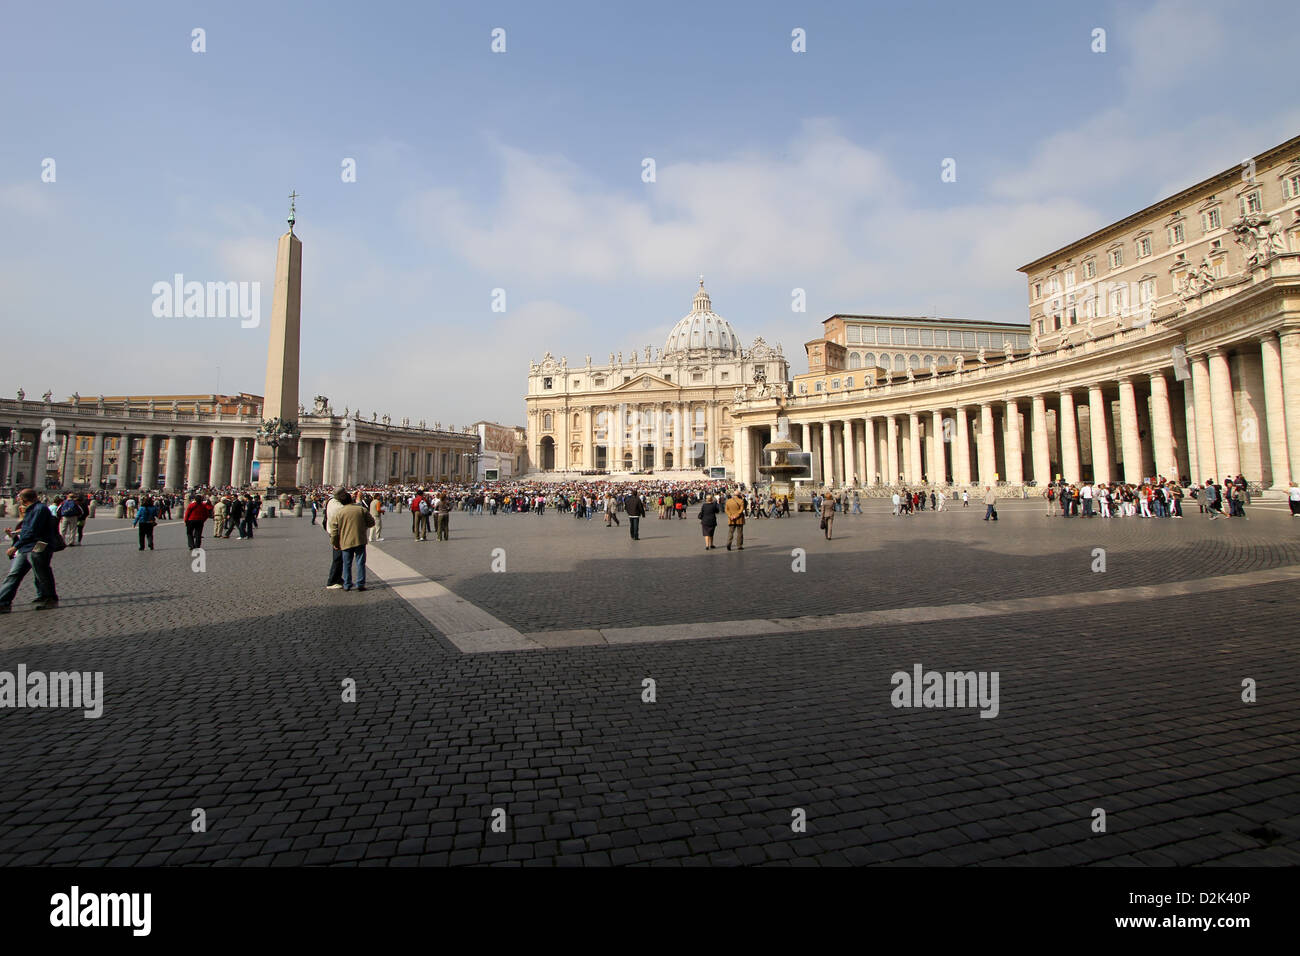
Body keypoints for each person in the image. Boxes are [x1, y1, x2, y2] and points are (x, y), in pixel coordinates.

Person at [0, 489, 61, 612]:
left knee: (41, 572)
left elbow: (32, 531)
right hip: (26, 545)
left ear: (23, 499)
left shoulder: (39, 509)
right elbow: (28, 529)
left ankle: (48, 597)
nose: (18, 499)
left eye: (19, 497)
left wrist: (15, 546)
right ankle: (3, 602)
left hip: (40, 544)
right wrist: (16, 534)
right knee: (14, 573)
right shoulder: (32, 509)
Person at [328, 489, 375, 591]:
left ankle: (347, 584)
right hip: (360, 540)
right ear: (352, 500)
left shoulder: (339, 512)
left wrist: (335, 542)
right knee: (360, 562)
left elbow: (334, 529)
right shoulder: (361, 510)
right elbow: (371, 523)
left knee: (346, 563)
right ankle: (360, 584)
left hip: (345, 541)